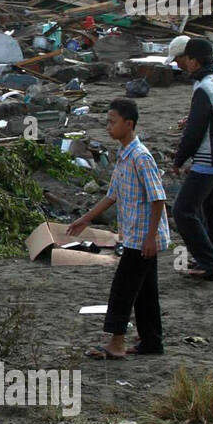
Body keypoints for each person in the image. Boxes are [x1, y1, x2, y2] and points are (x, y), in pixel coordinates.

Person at [70, 98, 169, 359]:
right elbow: (111, 195)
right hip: (135, 235)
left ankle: (116, 343)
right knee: (146, 291)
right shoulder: (123, 156)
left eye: (112, 122)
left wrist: (150, 238)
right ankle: (152, 342)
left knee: (122, 290)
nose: (108, 127)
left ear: (129, 124)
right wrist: (85, 219)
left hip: (143, 238)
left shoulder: (141, 157)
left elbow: (158, 198)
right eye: (107, 122)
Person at [169, 37, 213, 281]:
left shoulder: (205, 87)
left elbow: (195, 132)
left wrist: (179, 160)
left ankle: (209, 262)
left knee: (183, 211)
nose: (181, 65)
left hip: (209, 159)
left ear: (193, 60)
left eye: (183, 60)